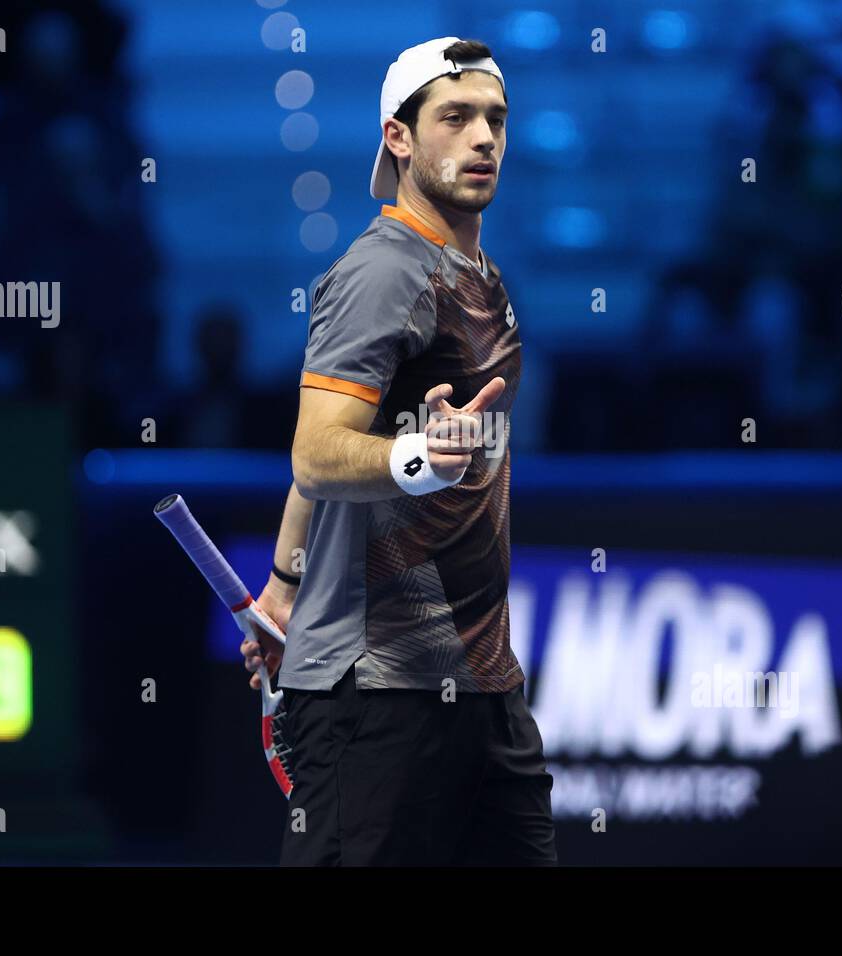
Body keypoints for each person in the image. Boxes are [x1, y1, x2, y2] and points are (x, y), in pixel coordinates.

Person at [241, 36, 556, 866]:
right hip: (373, 692)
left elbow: (340, 433)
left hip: (480, 682)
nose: (483, 138)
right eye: (455, 117)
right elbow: (318, 452)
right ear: (400, 138)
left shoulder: (477, 274)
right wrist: (418, 457)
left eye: (495, 118)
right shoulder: (382, 273)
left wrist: (281, 585)